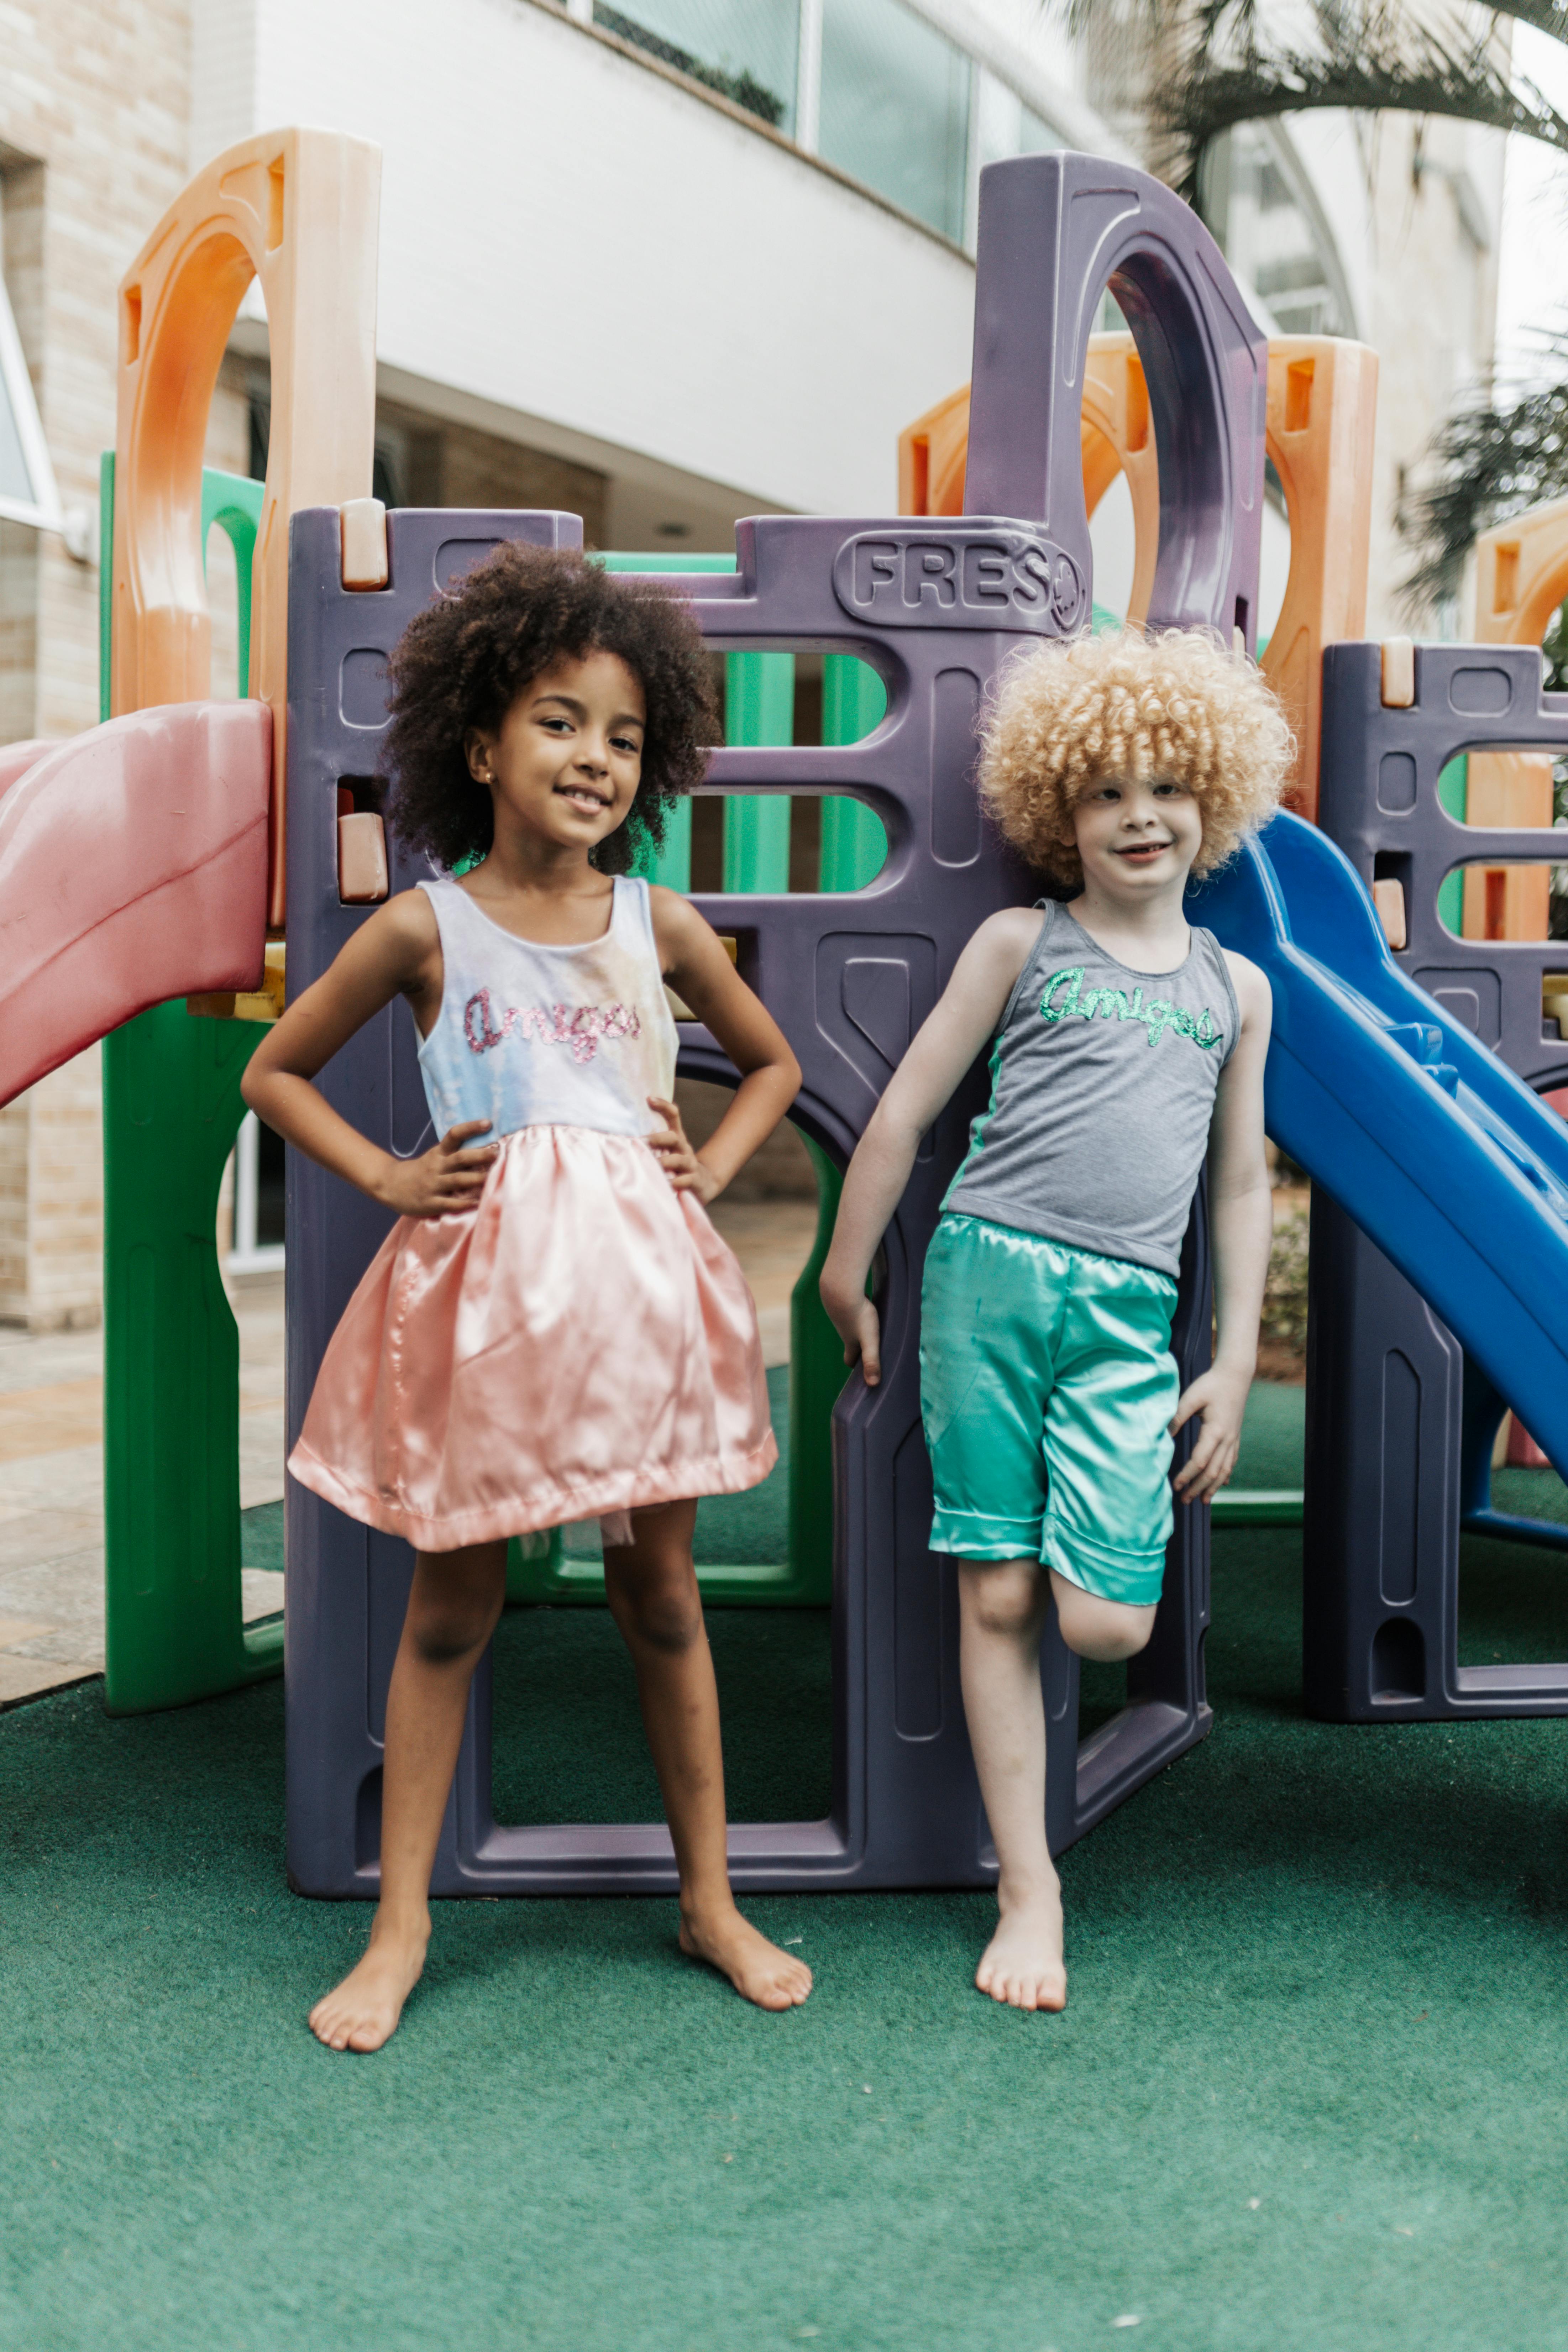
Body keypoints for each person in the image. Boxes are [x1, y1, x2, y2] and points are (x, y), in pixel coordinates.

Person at [245, 543, 812, 2051]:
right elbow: (274, 1073)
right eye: (560, 721)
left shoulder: (657, 923)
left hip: (638, 1308)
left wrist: (710, 1159)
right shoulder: (424, 927)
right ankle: (402, 1924)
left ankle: (709, 1899)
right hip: (492, 1314)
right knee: (452, 1608)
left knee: (663, 1595)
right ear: (481, 745)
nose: (596, 757)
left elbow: (771, 1063)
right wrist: (386, 1174)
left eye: (625, 735)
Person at [819, 626, 1289, 2014]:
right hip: (986, 1281)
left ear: (1212, 798)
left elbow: (1241, 1179)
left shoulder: (1235, 989)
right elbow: (905, 1111)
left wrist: (1233, 1357)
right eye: (1105, 792)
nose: (1140, 815)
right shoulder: (1020, 941)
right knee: (1000, 1592)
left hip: (1129, 1312)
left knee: (1103, 1622)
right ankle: (1030, 1884)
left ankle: (1036, 1850)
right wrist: (845, 1268)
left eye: (1166, 786)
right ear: (1058, 813)